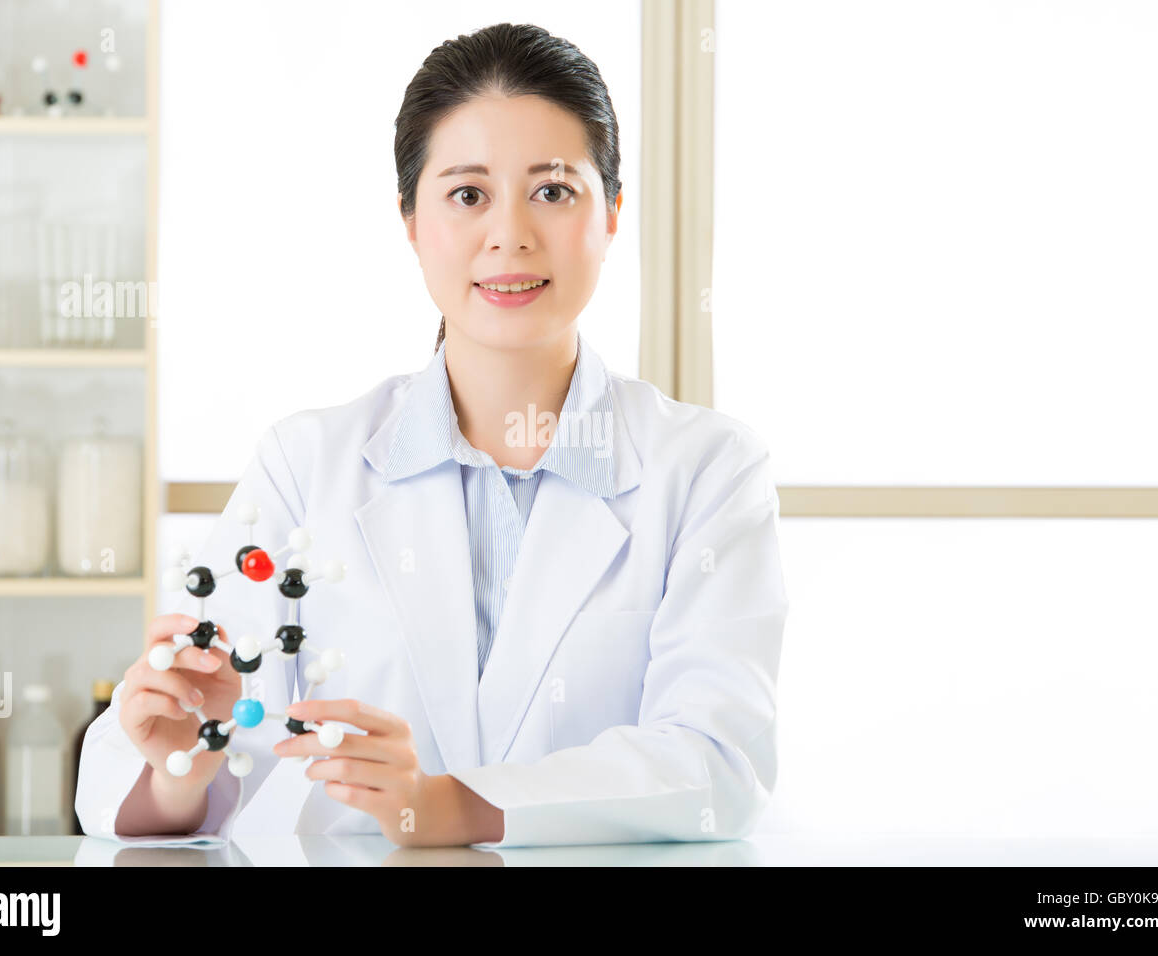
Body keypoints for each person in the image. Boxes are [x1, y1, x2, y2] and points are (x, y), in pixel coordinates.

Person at [75, 21, 789, 849]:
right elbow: (174, 780)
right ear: (411, 220)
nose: (510, 234)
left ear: (613, 212)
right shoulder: (307, 469)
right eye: (467, 193)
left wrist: (452, 804)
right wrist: (183, 766)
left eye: (553, 191)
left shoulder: (706, 470)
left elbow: (715, 765)